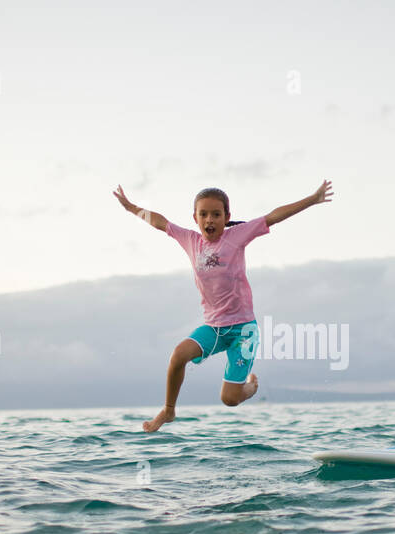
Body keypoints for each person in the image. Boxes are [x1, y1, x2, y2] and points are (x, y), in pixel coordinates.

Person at [113, 180, 334, 431]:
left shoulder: (237, 236)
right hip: (214, 328)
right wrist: (131, 207)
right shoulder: (189, 240)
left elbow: (273, 217)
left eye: (216, 214)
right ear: (195, 218)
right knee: (178, 356)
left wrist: (312, 199)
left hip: (244, 332)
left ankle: (250, 388)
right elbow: (159, 221)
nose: (210, 219)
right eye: (204, 214)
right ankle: (169, 411)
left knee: (229, 399)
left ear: (227, 216)